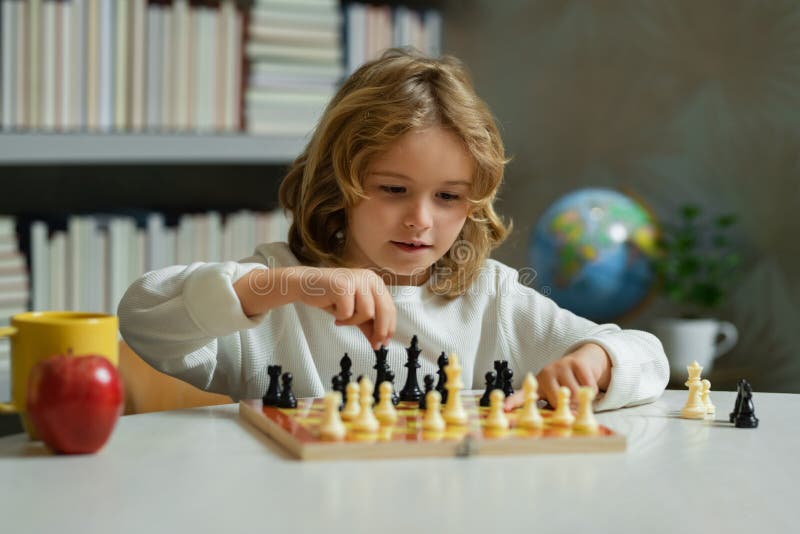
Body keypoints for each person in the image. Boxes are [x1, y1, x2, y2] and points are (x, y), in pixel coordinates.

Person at [118, 49, 668, 411]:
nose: (420, 220)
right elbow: (143, 316)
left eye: (448, 196)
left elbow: (648, 357)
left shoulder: (490, 299)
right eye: (393, 189)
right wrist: (284, 285)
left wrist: (595, 362)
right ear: (341, 184)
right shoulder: (279, 293)